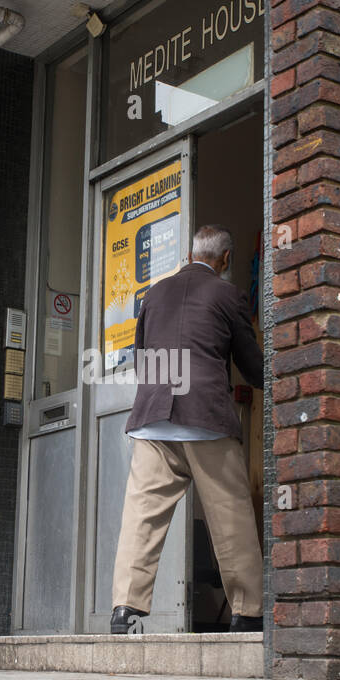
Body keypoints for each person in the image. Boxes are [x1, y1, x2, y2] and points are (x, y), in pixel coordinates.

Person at [111, 224, 265, 634]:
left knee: (141, 518)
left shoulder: (154, 293)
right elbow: (251, 365)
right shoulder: (228, 295)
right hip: (205, 420)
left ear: (190, 252)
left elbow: (143, 356)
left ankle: (125, 609)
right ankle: (248, 613)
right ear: (227, 259)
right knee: (231, 515)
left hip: (153, 422)